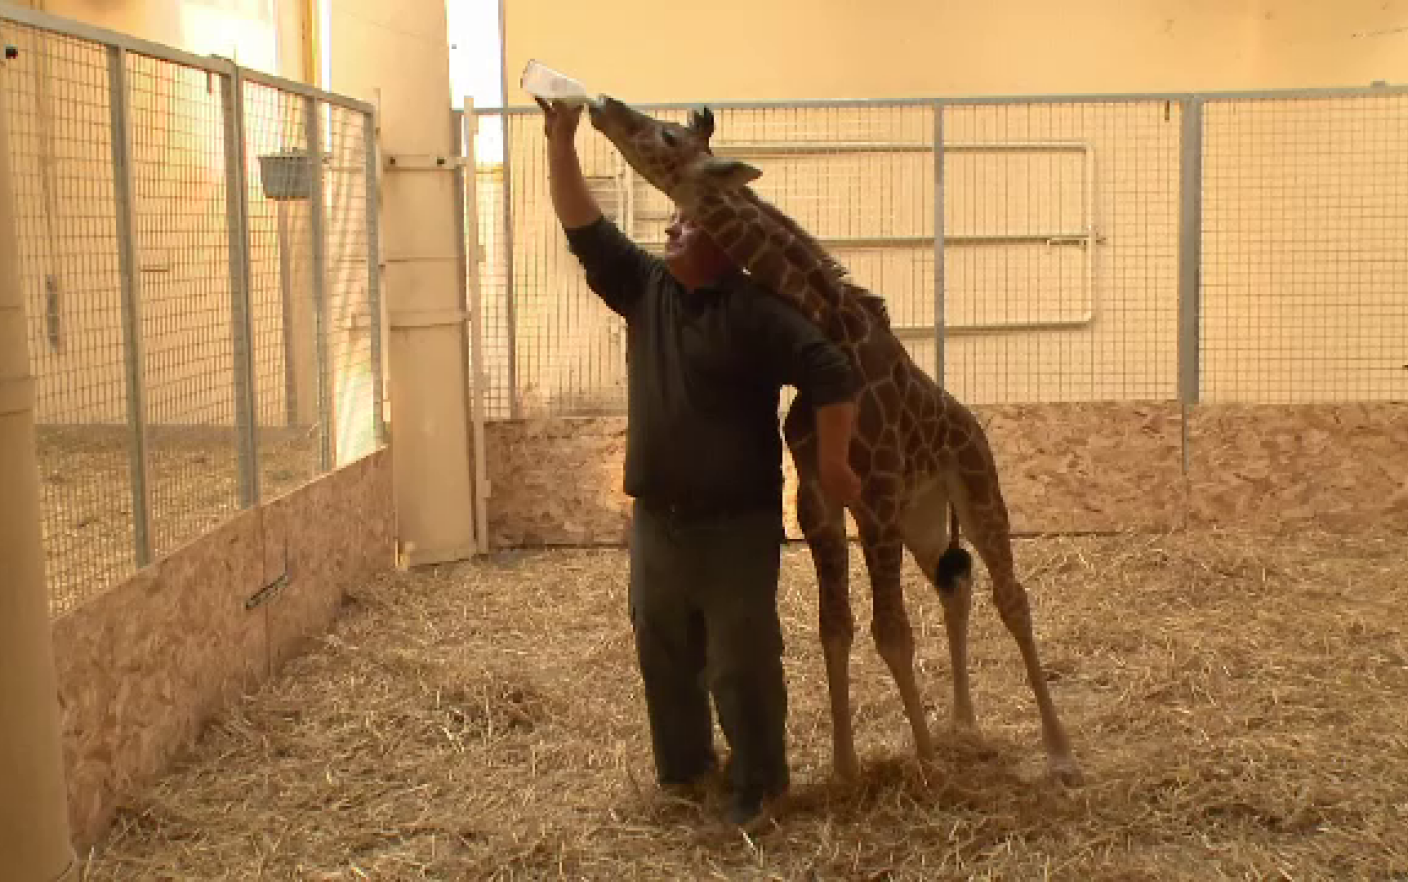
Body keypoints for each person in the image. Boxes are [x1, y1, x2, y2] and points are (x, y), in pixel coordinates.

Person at [537, 98, 863, 829]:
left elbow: (834, 372)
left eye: (685, 223)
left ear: (719, 237)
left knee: (740, 663)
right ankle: (685, 772)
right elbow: (582, 228)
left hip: (735, 529)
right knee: (661, 647)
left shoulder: (757, 313)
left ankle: (759, 784)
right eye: (671, 222)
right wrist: (561, 140)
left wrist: (836, 467)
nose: (670, 229)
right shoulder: (647, 288)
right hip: (657, 523)